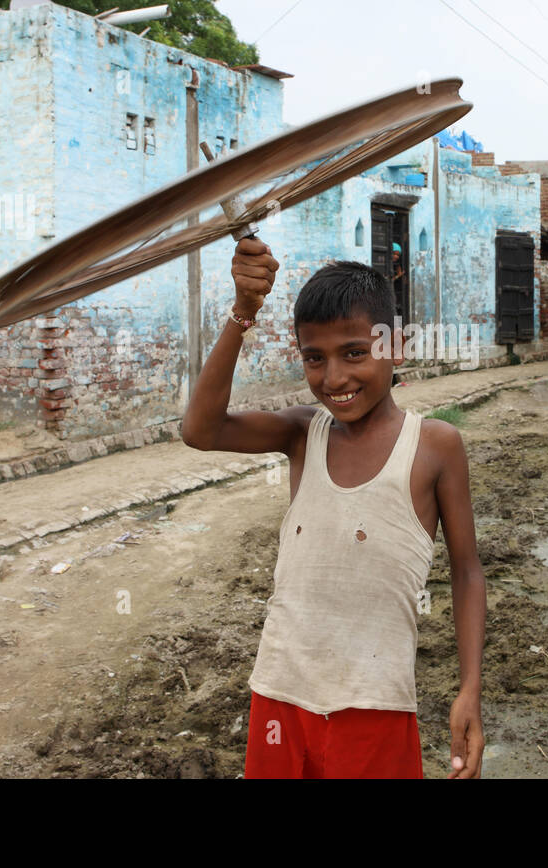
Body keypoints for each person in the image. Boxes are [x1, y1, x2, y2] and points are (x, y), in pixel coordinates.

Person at [181, 236, 486, 779]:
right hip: (279, 694)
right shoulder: (304, 432)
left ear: (394, 346)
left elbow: (466, 572)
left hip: (375, 705)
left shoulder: (435, 447)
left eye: (354, 353)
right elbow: (200, 430)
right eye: (314, 359)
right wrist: (242, 314)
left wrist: (469, 691)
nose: (334, 379)